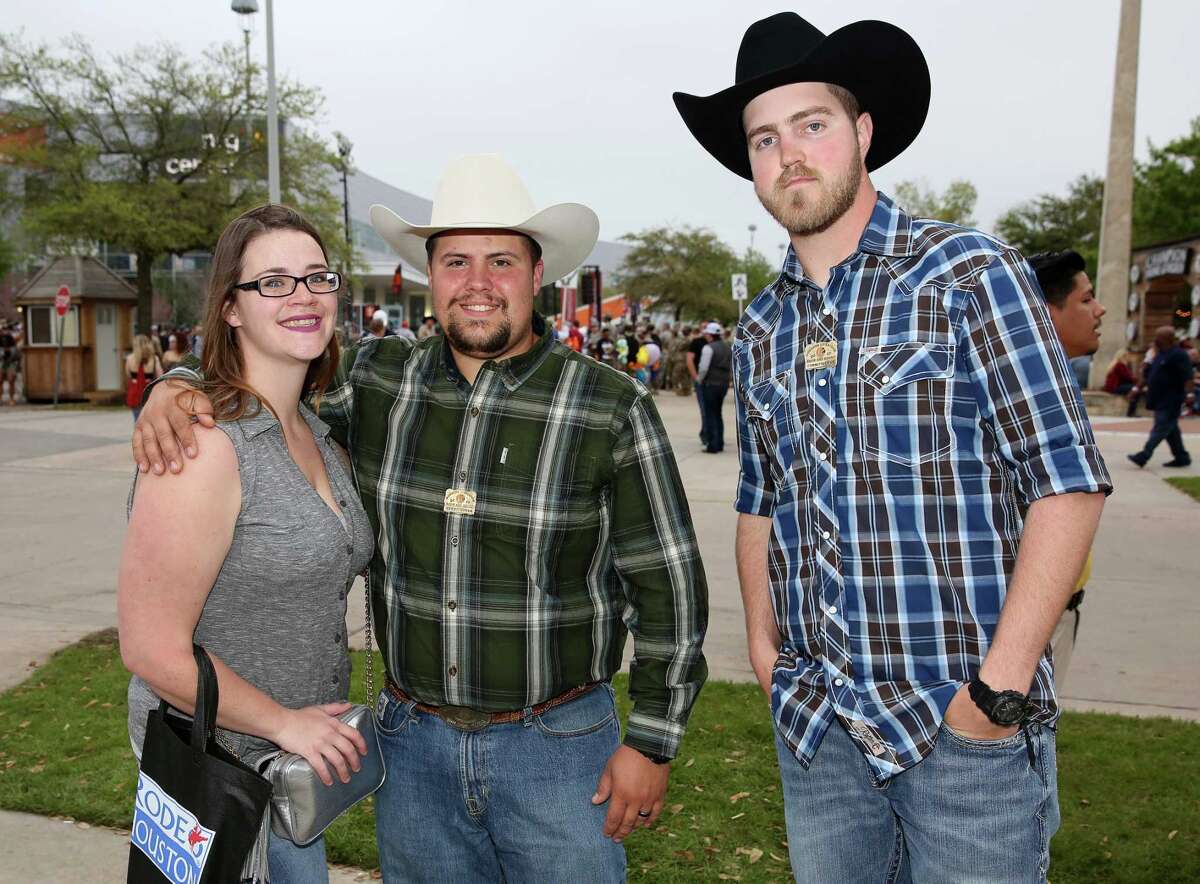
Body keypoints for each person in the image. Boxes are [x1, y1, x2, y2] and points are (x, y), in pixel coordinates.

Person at [132, 155, 708, 883]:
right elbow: (265, 373)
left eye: (501, 260)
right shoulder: (377, 382)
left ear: (538, 276)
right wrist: (178, 383)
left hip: (560, 750)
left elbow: (669, 591)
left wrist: (652, 743)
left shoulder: (609, 406)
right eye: (455, 260)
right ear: (429, 278)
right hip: (413, 754)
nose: (478, 282)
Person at [674, 13, 1111, 881]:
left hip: (961, 733)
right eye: (765, 138)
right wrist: (765, 651)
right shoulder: (762, 326)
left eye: (812, 124)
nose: (789, 153)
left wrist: (995, 691)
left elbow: (1067, 480)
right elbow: (760, 501)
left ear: (863, 132)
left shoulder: (970, 273)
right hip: (821, 733)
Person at [118, 205, 373, 882]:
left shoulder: (320, 436)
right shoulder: (204, 443)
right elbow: (148, 646)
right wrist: (285, 723)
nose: (303, 297)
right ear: (230, 308)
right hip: (219, 777)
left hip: (291, 780)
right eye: (274, 282)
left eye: (317, 278)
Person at [1029, 250, 1107, 686]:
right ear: (1047, 311)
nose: (1100, 310)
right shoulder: (1034, 397)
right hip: (1035, 618)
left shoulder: (1056, 386)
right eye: (1086, 299)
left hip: (1056, 607)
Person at [1128, 325, 1193, 468]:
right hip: (1159, 400)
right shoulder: (1159, 354)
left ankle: (1144, 455)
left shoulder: (1178, 355)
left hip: (1172, 400)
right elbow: (1147, 375)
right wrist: (1136, 388)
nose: (1155, 339)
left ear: (1167, 338)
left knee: (1161, 428)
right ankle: (1182, 457)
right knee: (1171, 430)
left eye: (1159, 337)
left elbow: (1188, 376)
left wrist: (1190, 394)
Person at [696, 322, 731, 453]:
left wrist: (699, 380)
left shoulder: (708, 348)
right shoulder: (728, 347)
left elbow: (703, 368)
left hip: (710, 384)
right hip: (723, 385)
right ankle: (720, 442)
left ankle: (712, 445)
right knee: (718, 413)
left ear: (710, 335)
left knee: (710, 414)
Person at [124, 334, 163, 422]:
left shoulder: (129, 358)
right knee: (150, 421)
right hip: (149, 392)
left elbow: (128, 375)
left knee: (137, 421)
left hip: (134, 392)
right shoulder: (154, 358)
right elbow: (160, 376)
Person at [686, 325, 709, 444]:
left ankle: (708, 433)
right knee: (705, 409)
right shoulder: (696, 342)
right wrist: (696, 377)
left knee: (711, 409)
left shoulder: (717, 343)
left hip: (713, 381)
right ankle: (706, 433)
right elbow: (689, 359)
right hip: (702, 381)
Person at [0, 321, 21, 406]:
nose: (4, 331)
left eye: (6, 329)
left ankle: (11, 399)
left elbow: (15, 351)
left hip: (11, 361)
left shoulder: (11, 338)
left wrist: (8, 350)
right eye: (3, 329)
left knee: (11, 380)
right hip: (2, 361)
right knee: (0, 379)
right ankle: (0, 399)